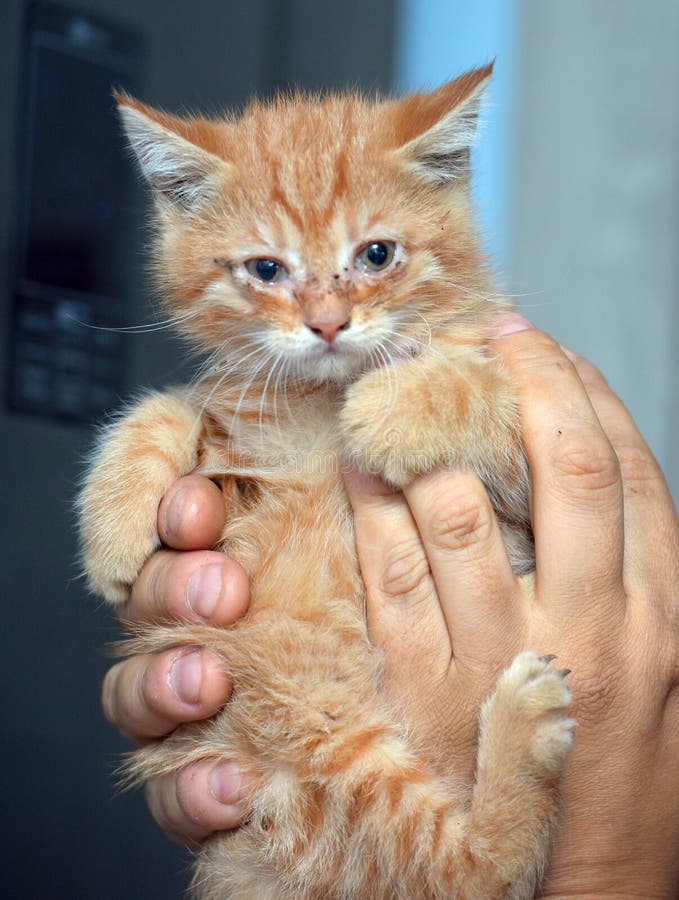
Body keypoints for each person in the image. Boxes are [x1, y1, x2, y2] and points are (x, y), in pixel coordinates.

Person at [101, 317, 679, 897]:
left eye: (376, 255)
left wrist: (597, 876)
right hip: (296, 762)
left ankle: (470, 867)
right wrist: (178, 423)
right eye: (268, 269)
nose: (326, 315)